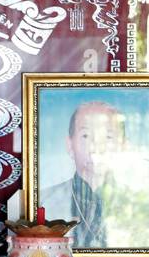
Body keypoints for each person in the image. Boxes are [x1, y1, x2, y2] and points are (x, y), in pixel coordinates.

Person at [39, 100, 127, 249]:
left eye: (108, 137)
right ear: (69, 145)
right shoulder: (42, 200)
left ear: (123, 146)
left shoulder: (140, 205)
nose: (96, 147)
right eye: (86, 136)